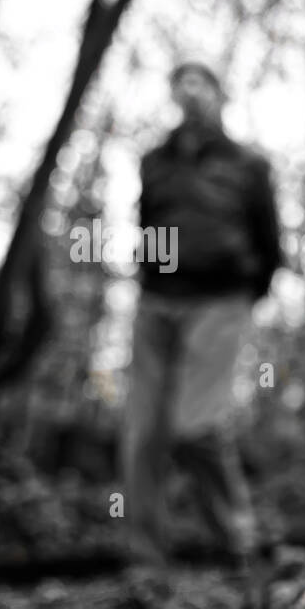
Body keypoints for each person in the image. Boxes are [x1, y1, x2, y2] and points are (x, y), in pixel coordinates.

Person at [122, 61, 282, 571]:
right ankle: (144, 560)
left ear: (217, 94)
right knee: (142, 432)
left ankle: (238, 539)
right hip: (155, 302)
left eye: (199, 82)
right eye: (180, 82)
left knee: (195, 424)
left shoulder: (248, 165)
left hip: (220, 301)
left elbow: (270, 238)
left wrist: (248, 286)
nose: (189, 91)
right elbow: (147, 222)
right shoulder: (154, 161)